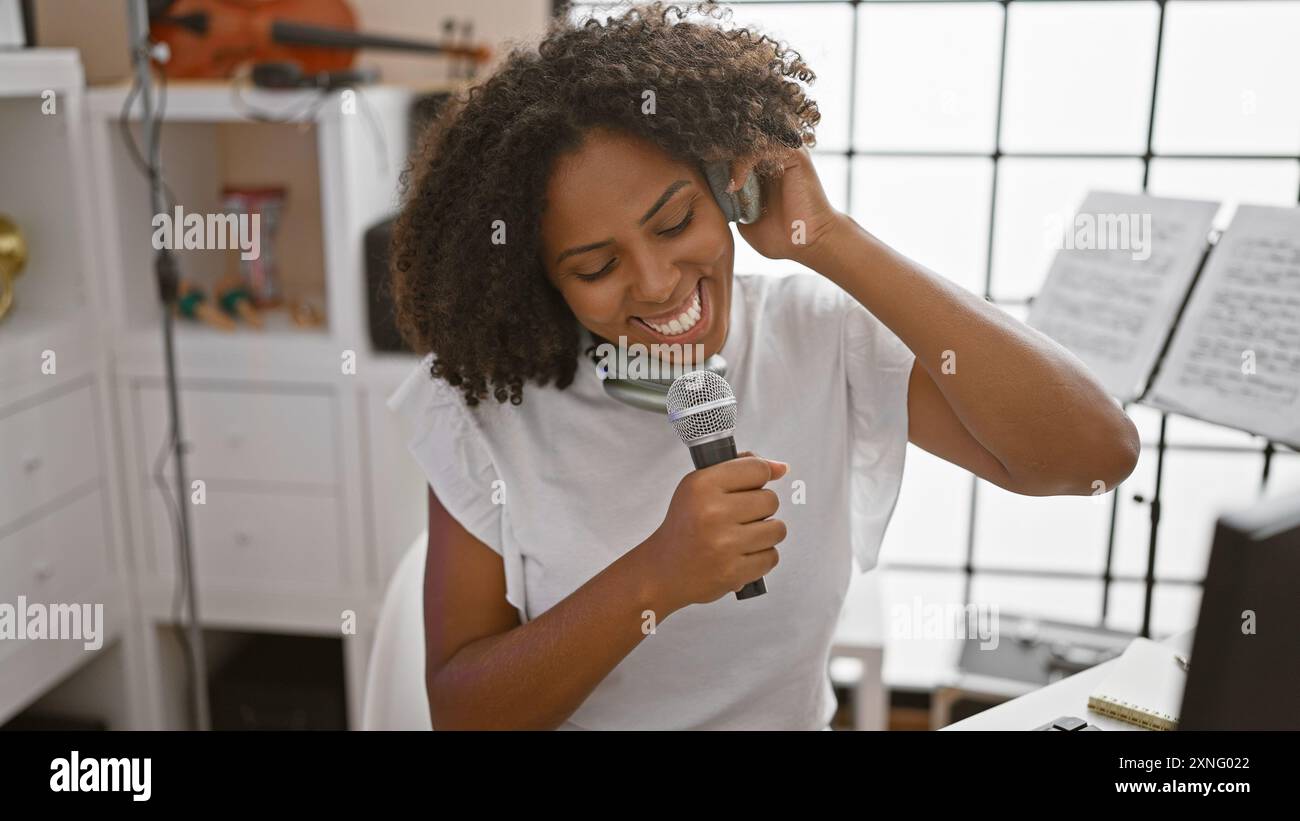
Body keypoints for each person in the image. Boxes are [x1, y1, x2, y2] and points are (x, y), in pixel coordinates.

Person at [386, 1, 1139, 730]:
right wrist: (658, 574)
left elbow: (1095, 456)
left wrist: (828, 239)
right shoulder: (485, 406)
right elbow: (463, 713)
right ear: (540, 277)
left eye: (676, 221)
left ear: (726, 185)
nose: (655, 282)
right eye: (595, 266)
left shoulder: (819, 340)